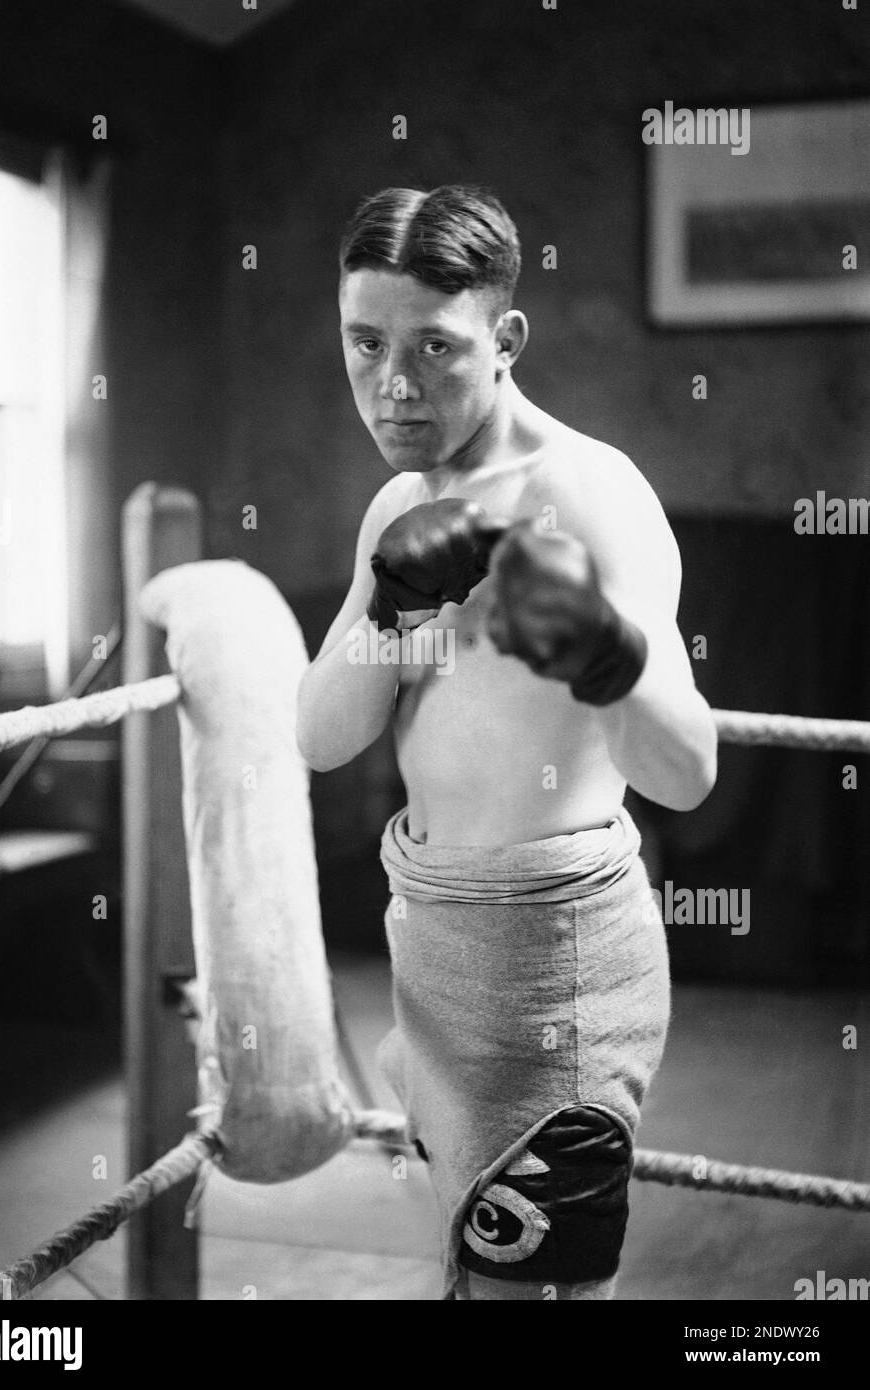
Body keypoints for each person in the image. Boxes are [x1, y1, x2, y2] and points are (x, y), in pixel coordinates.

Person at [296, 185, 717, 1301]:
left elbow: (687, 772)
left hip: (556, 974)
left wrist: (603, 648)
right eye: (367, 342)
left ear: (506, 338)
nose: (396, 382)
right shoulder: (398, 510)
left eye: (436, 346)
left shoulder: (590, 494)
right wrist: (390, 611)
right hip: (436, 954)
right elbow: (322, 739)